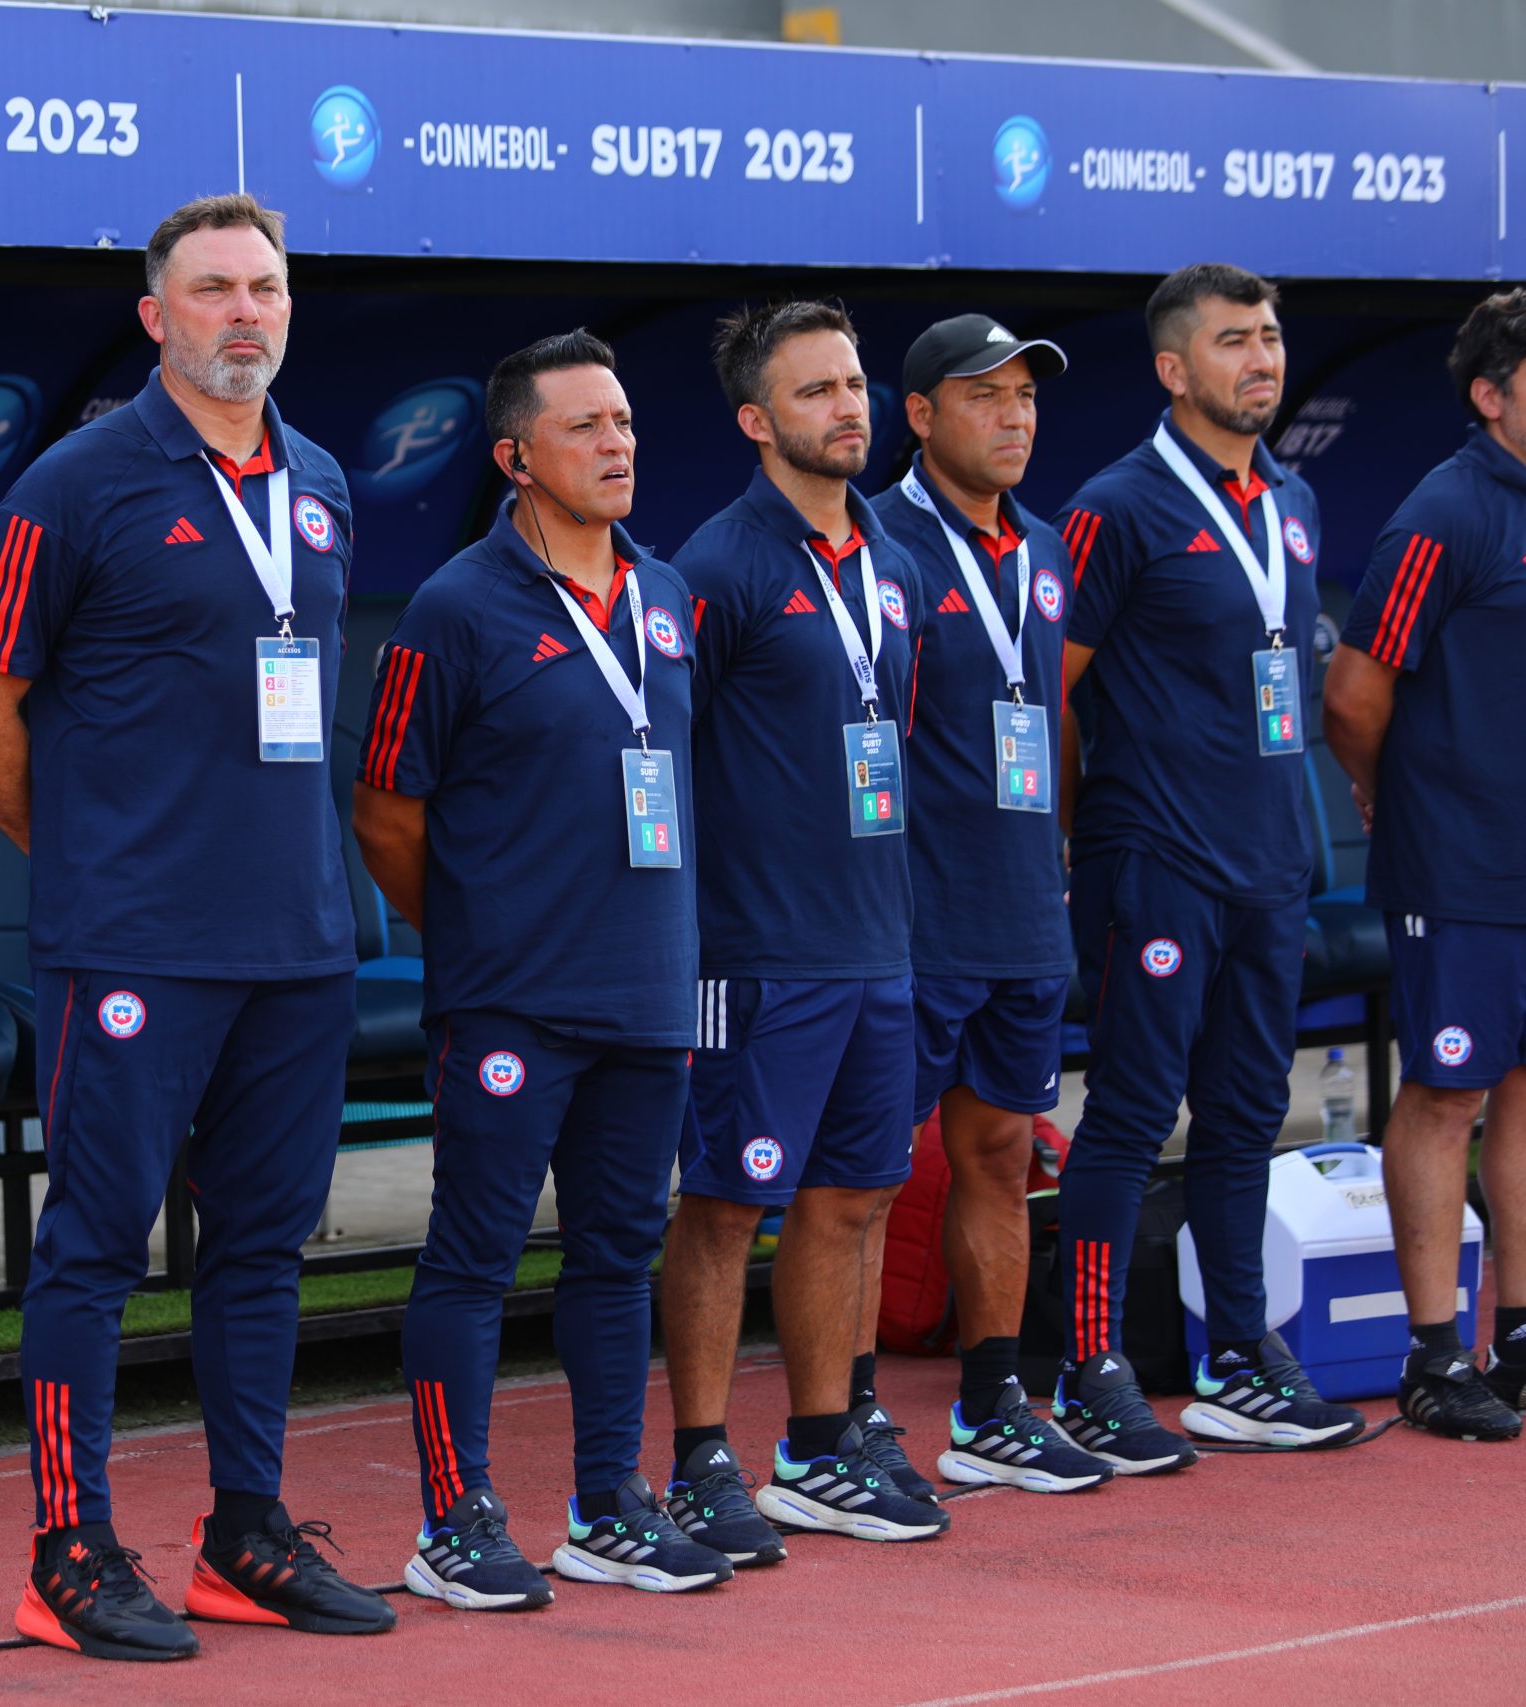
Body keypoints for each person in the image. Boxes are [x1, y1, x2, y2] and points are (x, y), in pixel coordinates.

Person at [0, 193, 395, 1661]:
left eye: (265, 287)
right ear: (156, 315)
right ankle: (66, 1550)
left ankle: (243, 1534)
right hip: (133, 943)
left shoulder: (317, 477)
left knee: (260, 1247)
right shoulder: (76, 483)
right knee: (95, 1245)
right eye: (212, 290)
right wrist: (87, 862)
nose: (243, 313)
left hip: (300, 944)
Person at [354, 330, 732, 1610]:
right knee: (473, 1256)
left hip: (647, 992)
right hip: (513, 997)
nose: (617, 443)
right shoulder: (456, 609)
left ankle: (605, 1504)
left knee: (619, 1256)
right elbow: (386, 807)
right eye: (584, 427)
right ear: (517, 459)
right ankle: (453, 1521)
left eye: (623, 420)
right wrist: (471, 931)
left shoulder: (672, 597)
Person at [1049, 263, 1364, 1469]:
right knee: (1130, 1112)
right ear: (1175, 368)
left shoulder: (1290, 498)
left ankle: (1239, 1358)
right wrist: (1077, 844)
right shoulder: (1116, 506)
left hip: (1267, 862)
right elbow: (1054, 693)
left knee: (1243, 1115)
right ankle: (1090, 1372)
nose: (1265, 358)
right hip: (1154, 860)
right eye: (1235, 340)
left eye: (1273, 337)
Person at [656, 299, 949, 1557]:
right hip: (755, 956)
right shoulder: (716, 566)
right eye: (817, 390)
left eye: (853, 384)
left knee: (858, 1199)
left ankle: (822, 1443)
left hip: (876, 943)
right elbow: (661, 751)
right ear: (755, 420)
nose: (848, 407)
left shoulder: (895, 557)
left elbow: (902, 731)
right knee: (724, 1206)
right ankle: (700, 1457)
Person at [865, 316, 1115, 1495]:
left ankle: (992, 1404)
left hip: (1022, 910)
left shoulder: (1050, 547)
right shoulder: (876, 544)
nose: (1013, 416)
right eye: (983, 396)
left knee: (1003, 1151)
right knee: (859, 1174)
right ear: (918, 416)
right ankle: (844, 1415)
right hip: (910, 913)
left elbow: (1049, 714)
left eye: (1024, 396)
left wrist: (1051, 854)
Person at [1322, 289, 1526, 1443]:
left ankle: (1519, 1331)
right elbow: (1352, 694)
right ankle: (1434, 1354)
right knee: (1446, 1092)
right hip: (1457, 868)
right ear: (1491, 396)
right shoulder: (1444, 512)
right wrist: (1393, 793)